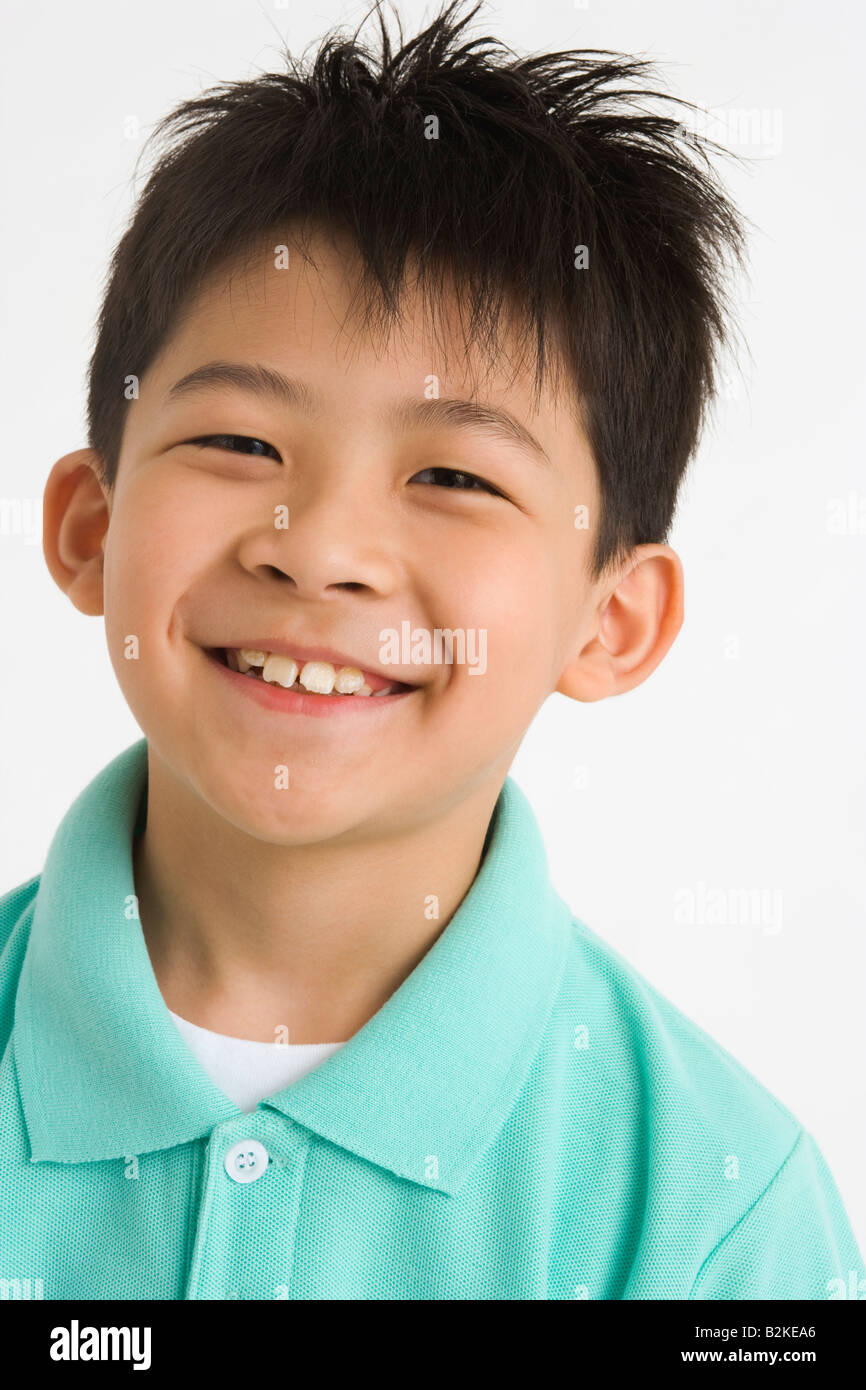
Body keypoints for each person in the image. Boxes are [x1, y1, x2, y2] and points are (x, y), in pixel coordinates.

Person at [0, 0, 860, 1299]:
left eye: (452, 473)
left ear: (608, 621)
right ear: (87, 526)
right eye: (240, 445)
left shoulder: (713, 1218)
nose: (319, 547)